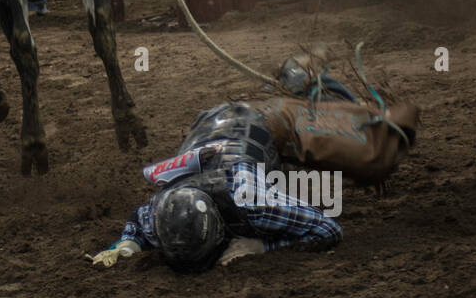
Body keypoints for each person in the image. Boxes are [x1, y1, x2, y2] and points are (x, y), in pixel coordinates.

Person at [88, 103, 344, 271]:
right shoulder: (161, 211)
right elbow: (138, 218)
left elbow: (328, 229)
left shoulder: (255, 204)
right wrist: (127, 244)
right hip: (207, 124)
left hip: (255, 125)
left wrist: (263, 247)